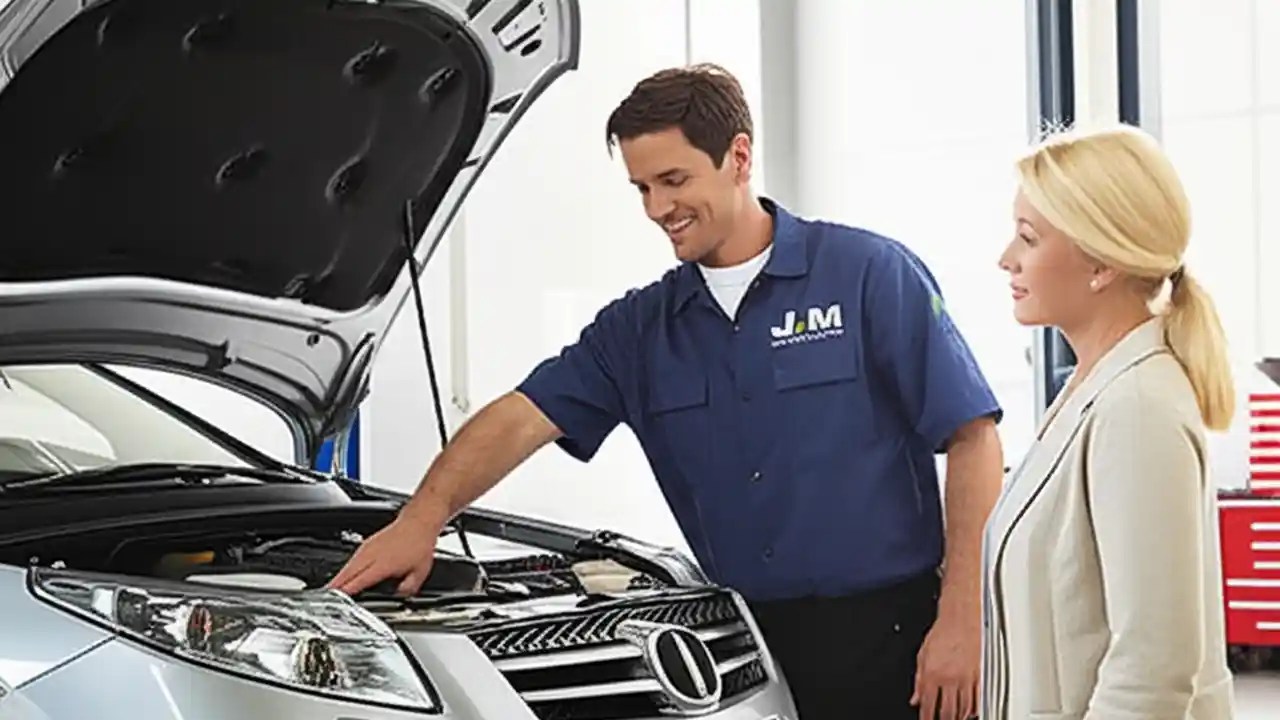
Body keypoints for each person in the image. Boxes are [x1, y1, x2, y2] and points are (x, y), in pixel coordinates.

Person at [329, 63, 1006, 720]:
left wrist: (963, 617)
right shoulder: (639, 328)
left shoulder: (866, 275)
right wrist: (423, 517)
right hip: (739, 648)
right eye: (642, 188)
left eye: (674, 180)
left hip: (892, 637)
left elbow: (972, 437)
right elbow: (518, 418)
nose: (658, 209)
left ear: (739, 158)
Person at [983, 124, 1236, 719]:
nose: (1005, 259)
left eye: (1028, 238)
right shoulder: (1090, 392)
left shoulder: (1137, 409)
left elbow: (1151, 670)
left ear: (1099, 265)